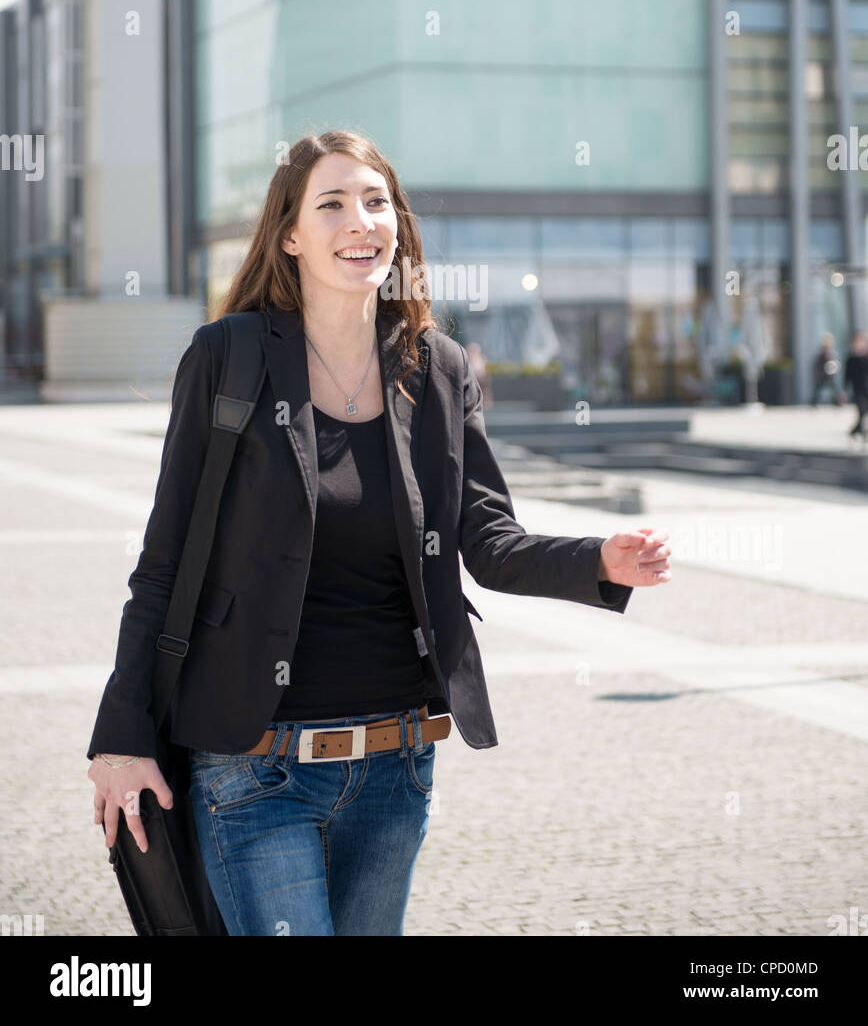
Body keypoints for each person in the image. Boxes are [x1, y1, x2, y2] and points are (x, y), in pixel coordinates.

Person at [87, 129, 673, 936]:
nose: (361, 220)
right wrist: (120, 736)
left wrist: (598, 561)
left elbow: (489, 538)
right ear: (289, 233)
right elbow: (163, 563)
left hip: (398, 765)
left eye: (376, 201)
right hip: (254, 768)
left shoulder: (438, 369)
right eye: (332, 203)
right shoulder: (228, 358)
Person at [844, 330, 868, 443]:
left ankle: (856, 431)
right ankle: (862, 433)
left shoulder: (865, 358)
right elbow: (847, 376)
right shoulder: (851, 359)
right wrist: (844, 391)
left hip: (866, 389)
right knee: (862, 412)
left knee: (863, 413)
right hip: (858, 390)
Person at [810, 332, 841, 406]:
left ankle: (837, 402)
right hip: (823, 375)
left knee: (833, 389)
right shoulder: (822, 352)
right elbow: (818, 364)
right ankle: (814, 402)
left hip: (829, 375)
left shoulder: (831, 351)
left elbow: (833, 363)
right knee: (819, 389)